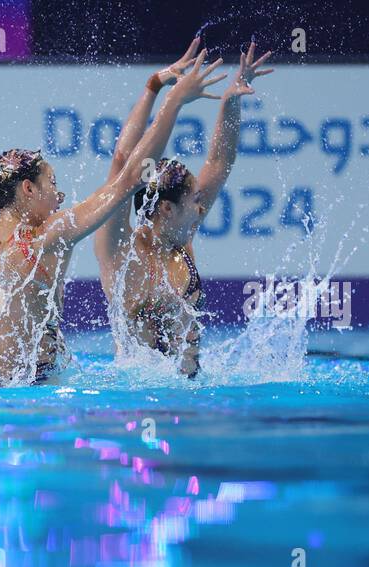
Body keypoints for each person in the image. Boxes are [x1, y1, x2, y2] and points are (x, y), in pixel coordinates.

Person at [0, 48, 227, 384]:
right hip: (36, 399)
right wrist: (174, 101)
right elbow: (128, 178)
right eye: (51, 184)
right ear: (28, 189)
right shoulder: (47, 237)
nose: (59, 196)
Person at [94, 38, 273, 377]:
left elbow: (220, 161)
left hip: (189, 392)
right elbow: (123, 162)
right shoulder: (118, 247)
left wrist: (232, 98)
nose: (202, 208)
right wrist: (156, 88)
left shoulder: (181, 238)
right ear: (166, 210)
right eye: (194, 201)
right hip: (137, 393)